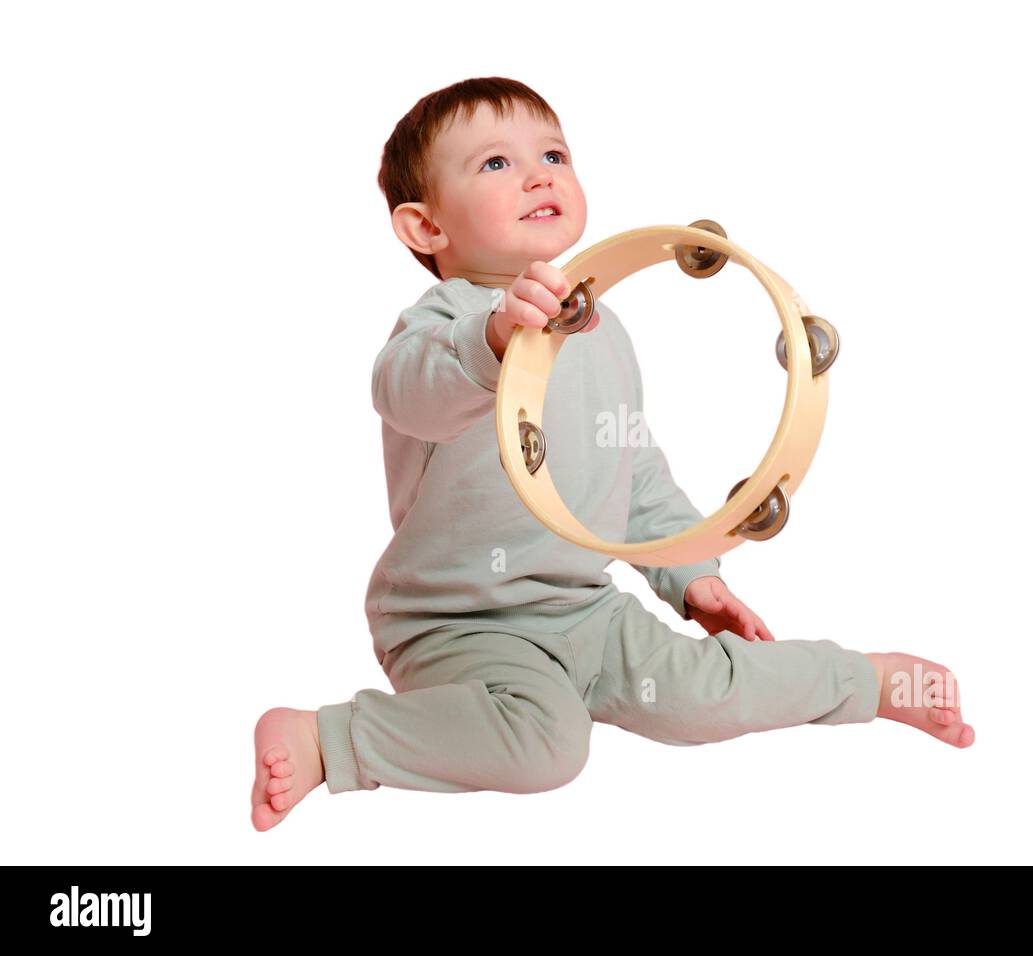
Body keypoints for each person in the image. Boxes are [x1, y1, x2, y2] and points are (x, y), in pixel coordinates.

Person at [250, 76, 973, 832]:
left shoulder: (603, 328)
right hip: (458, 620)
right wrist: (494, 338)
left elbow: (634, 475)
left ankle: (867, 681)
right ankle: (328, 739)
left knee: (701, 698)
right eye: (496, 163)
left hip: (585, 610)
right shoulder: (444, 324)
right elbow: (404, 393)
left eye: (554, 153)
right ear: (425, 228)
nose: (539, 174)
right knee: (547, 747)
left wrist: (692, 575)